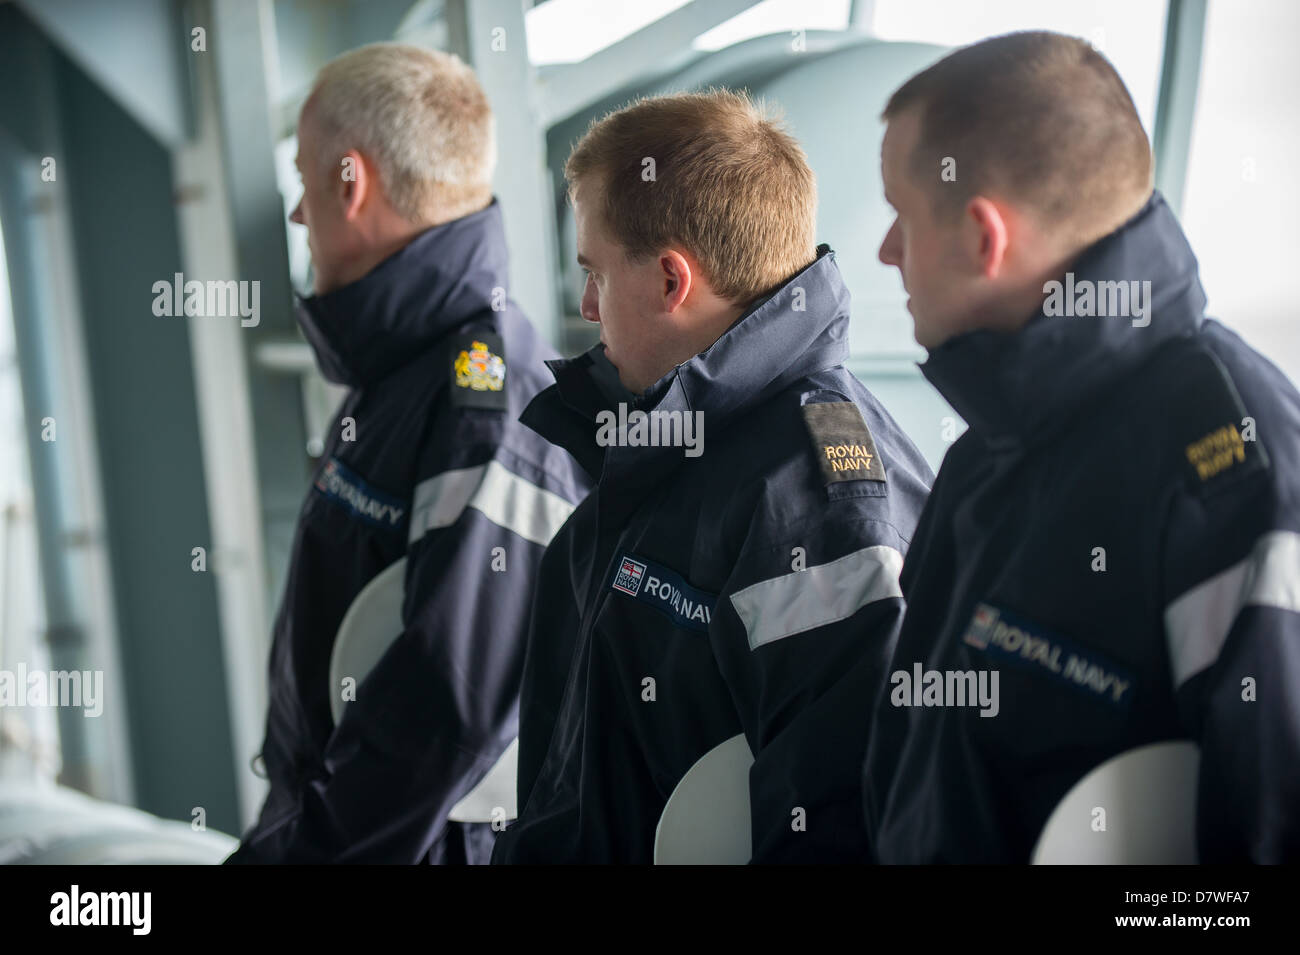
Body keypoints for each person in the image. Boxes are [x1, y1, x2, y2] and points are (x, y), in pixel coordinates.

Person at [864, 31, 1300, 863]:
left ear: (985, 237)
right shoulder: (988, 447)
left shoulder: (1240, 474)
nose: (886, 251)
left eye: (902, 215)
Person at [490, 90, 933, 864]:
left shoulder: (822, 505)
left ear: (671, 280)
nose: (588, 305)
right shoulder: (674, 443)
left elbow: (840, 832)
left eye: (594, 271)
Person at [225, 44, 591, 864]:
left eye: (303, 181)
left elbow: (444, 715)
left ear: (350, 182)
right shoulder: (407, 369)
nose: (297, 216)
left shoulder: (485, 402)